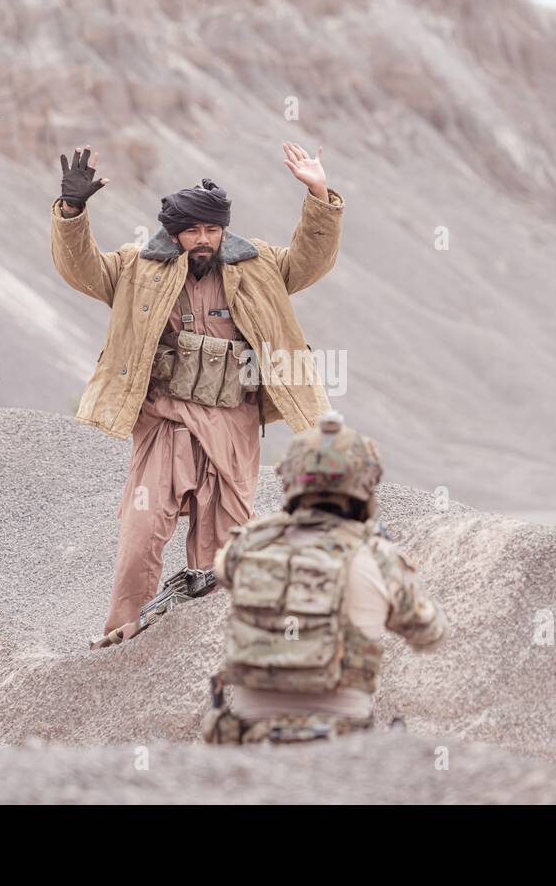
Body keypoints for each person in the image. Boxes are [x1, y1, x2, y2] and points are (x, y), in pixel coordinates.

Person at [49, 143, 345, 648]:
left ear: (222, 229)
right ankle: (124, 632)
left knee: (223, 540)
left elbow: (311, 259)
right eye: (192, 231)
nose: (202, 240)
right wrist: (72, 214)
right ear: (174, 232)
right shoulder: (137, 267)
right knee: (143, 530)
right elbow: (83, 271)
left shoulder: (259, 266)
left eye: (211, 230)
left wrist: (319, 193)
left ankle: (212, 646)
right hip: (165, 420)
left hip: (233, 420)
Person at [202, 410, 447, 745]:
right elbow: (429, 634)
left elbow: (223, 570)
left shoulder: (246, 546)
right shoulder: (377, 557)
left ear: (290, 479)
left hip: (248, 743)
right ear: (367, 484)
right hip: (340, 746)